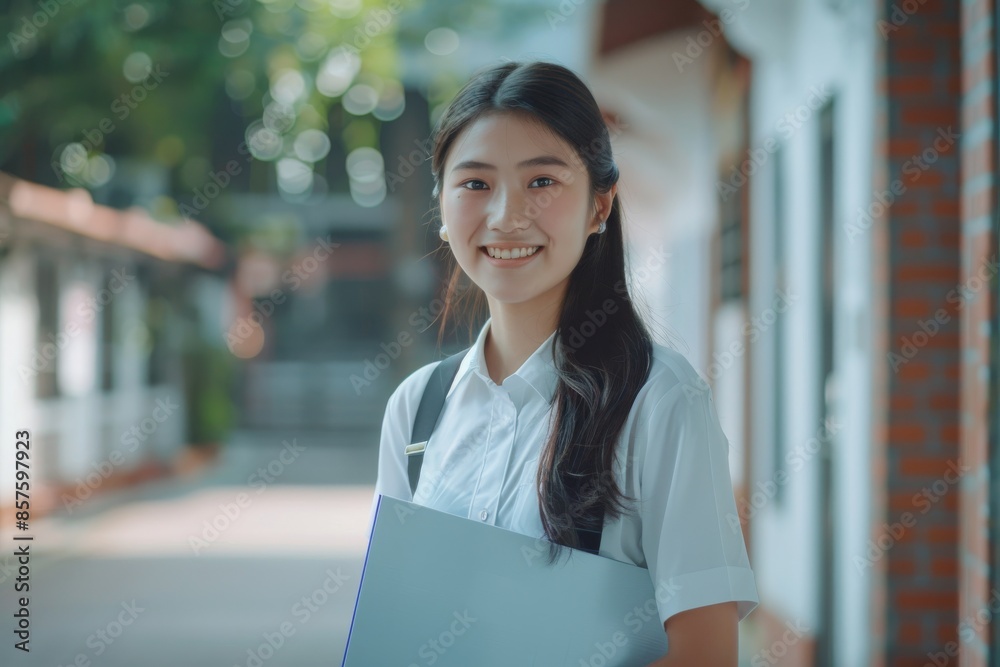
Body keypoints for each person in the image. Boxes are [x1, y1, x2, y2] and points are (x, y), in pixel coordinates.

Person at [374, 59, 759, 665]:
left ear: (599, 206)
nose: (505, 215)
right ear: (442, 210)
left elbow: (706, 654)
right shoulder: (417, 409)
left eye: (542, 182)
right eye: (475, 183)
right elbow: (396, 623)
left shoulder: (660, 400)